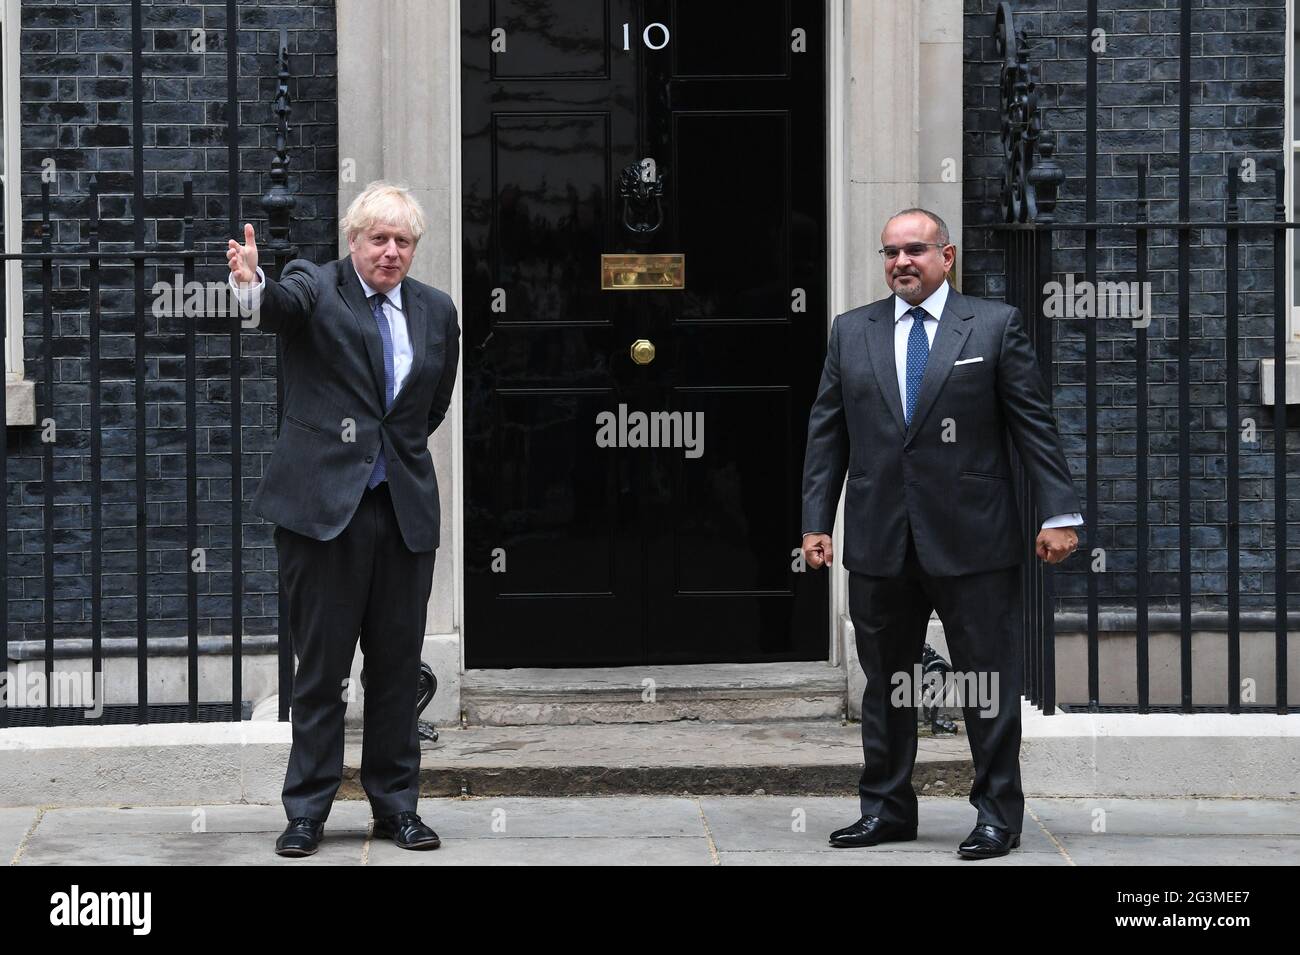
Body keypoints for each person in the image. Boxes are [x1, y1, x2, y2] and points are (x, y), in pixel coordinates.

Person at [800, 208, 1081, 859]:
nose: (901, 261)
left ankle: (996, 815)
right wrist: (817, 521)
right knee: (885, 684)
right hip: (879, 541)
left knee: (987, 683)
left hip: (974, 541)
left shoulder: (992, 325)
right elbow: (826, 434)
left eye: (916, 250)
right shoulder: (851, 332)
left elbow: (1032, 426)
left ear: (946, 257)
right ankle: (887, 808)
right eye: (891, 251)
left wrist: (1059, 514)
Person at [227, 181, 460, 857]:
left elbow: (430, 407)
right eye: (379, 239)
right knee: (320, 671)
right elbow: (278, 305)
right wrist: (251, 284)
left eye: (404, 241)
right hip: (324, 514)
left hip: (403, 514)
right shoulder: (316, 285)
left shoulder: (436, 312)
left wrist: (392, 453)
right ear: (354, 240)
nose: (391, 252)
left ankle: (396, 808)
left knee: (393, 670)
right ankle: (307, 812)